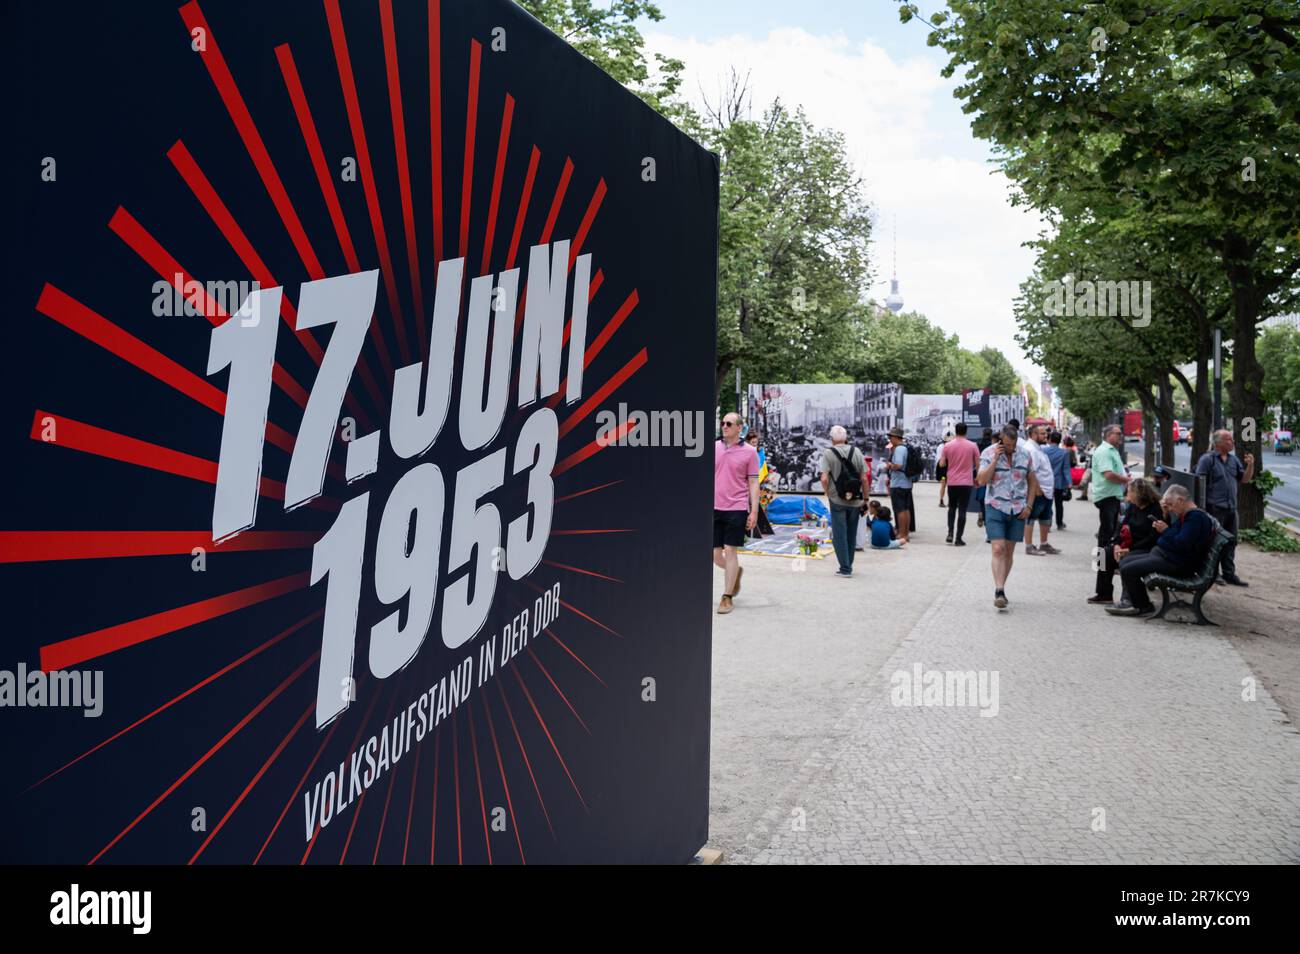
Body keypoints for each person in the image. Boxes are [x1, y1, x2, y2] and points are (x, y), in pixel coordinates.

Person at [1110, 484, 1215, 617]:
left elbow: (1178, 543)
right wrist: (1116, 543)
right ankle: (1111, 595)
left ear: (1180, 500)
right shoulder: (1187, 515)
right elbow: (1122, 526)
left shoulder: (1194, 518)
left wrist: (1165, 531)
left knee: (1126, 567)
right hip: (1163, 554)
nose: (1170, 509)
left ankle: (1137, 603)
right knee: (1114, 557)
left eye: (1170, 505)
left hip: (1177, 562)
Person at [977, 423, 1038, 609]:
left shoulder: (1025, 455)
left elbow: (1032, 482)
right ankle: (999, 590)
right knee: (998, 548)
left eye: (1013, 445)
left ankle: (1002, 584)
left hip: (1018, 508)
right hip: (996, 505)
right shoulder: (988, 453)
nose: (1010, 449)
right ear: (1001, 441)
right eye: (1007, 445)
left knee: (1009, 552)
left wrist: (1029, 505)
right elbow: (981, 480)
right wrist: (996, 459)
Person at [1088, 477, 1164, 605]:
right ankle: (1103, 593)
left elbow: (1153, 537)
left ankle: (1127, 598)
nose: (1127, 494)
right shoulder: (1132, 507)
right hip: (1127, 544)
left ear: (1139, 493)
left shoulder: (1155, 509)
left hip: (1144, 547)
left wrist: (1128, 549)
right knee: (1102, 553)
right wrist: (1117, 544)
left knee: (1125, 558)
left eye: (1129, 492)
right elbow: (1121, 527)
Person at [1194, 428, 1255, 586]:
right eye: (1228, 440)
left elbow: (1245, 480)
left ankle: (1229, 574)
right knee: (1214, 542)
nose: (1232, 442)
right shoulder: (1208, 460)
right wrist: (1202, 509)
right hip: (1214, 508)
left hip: (1231, 509)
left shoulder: (1233, 460)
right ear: (1218, 443)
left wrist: (1250, 466)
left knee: (1231, 542)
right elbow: (1199, 483)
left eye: (1232, 439)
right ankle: (1213, 574)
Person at [713, 412, 759, 615]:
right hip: (714, 508)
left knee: (730, 551)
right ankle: (736, 573)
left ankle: (727, 596)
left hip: (737, 508)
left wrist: (754, 511)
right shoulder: (713, 447)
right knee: (714, 555)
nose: (724, 426)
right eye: (723, 423)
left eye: (729, 423)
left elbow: (753, 483)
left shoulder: (750, 452)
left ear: (740, 428)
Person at [819, 425, 869, 577]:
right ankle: (849, 565)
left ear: (832, 439)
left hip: (837, 500)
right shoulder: (857, 451)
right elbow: (864, 478)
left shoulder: (828, 453)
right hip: (855, 499)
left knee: (840, 534)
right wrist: (865, 498)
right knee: (851, 533)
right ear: (846, 438)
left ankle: (845, 568)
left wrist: (828, 493)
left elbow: (824, 478)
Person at [1090, 424, 1132, 555]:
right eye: (1118, 434)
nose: (1121, 436)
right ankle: (1102, 564)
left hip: (1112, 495)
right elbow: (1108, 474)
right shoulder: (1104, 451)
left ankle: (1105, 562)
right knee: (1106, 532)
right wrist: (1126, 480)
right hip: (1107, 495)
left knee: (1110, 530)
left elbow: (1113, 472)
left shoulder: (1112, 450)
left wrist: (1124, 476)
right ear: (1109, 435)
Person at [938, 422, 980, 546]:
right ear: (966, 431)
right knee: (962, 510)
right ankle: (958, 538)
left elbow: (942, 464)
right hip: (966, 482)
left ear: (955, 431)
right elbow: (978, 465)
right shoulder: (973, 446)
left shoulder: (947, 446)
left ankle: (950, 533)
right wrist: (978, 479)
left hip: (952, 481)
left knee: (952, 508)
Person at [1021, 424, 1059, 555]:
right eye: (1042, 433)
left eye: (1045, 433)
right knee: (1030, 518)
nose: (1046, 436)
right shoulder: (1031, 449)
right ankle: (1029, 546)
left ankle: (1044, 544)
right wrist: (1036, 489)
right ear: (1033, 434)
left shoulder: (1039, 448)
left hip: (1045, 492)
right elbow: (1030, 473)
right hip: (1038, 492)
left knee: (1045, 518)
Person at [885, 426, 914, 543]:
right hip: (906, 483)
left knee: (900, 510)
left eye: (891, 437)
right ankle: (905, 533)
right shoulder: (905, 448)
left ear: (896, 437)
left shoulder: (899, 449)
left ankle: (902, 534)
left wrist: (889, 465)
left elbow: (898, 465)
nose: (890, 439)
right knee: (906, 509)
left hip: (898, 484)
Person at [1043, 431, 1071, 530]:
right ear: (1059, 441)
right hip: (1059, 482)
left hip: (1046, 480)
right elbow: (1066, 469)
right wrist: (1069, 482)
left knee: (1048, 503)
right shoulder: (1064, 453)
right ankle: (1059, 523)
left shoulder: (1044, 451)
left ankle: (1047, 523)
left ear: (1050, 440)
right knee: (1059, 504)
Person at [935, 433, 950, 508]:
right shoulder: (944, 447)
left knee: (944, 485)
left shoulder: (940, 446)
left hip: (943, 469)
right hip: (944, 469)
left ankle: (942, 500)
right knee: (945, 485)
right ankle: (942, 500)